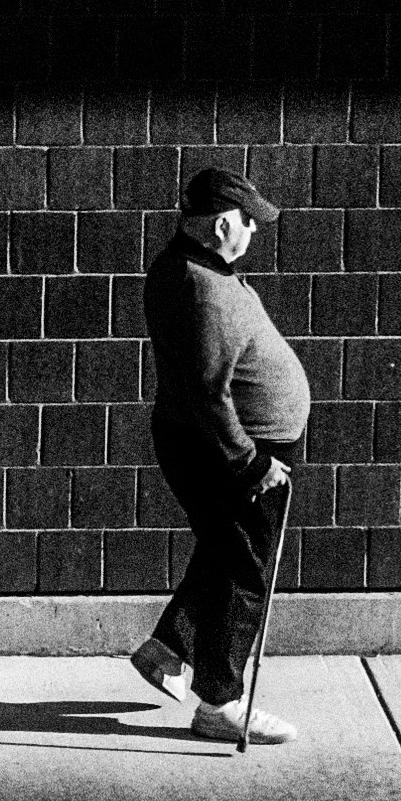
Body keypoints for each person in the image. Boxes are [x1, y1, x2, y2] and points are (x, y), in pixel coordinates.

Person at [129, 165, 311, 744]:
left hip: (211, 442)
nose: (253, 234)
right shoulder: (203, 287)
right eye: (250, 224)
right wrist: (251, 462)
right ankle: (220, 702)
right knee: (245, 573)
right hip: (232, 452)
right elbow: (208, 394)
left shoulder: (186, 265)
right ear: (223, 223)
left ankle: (169, 647)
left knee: (225, 551)